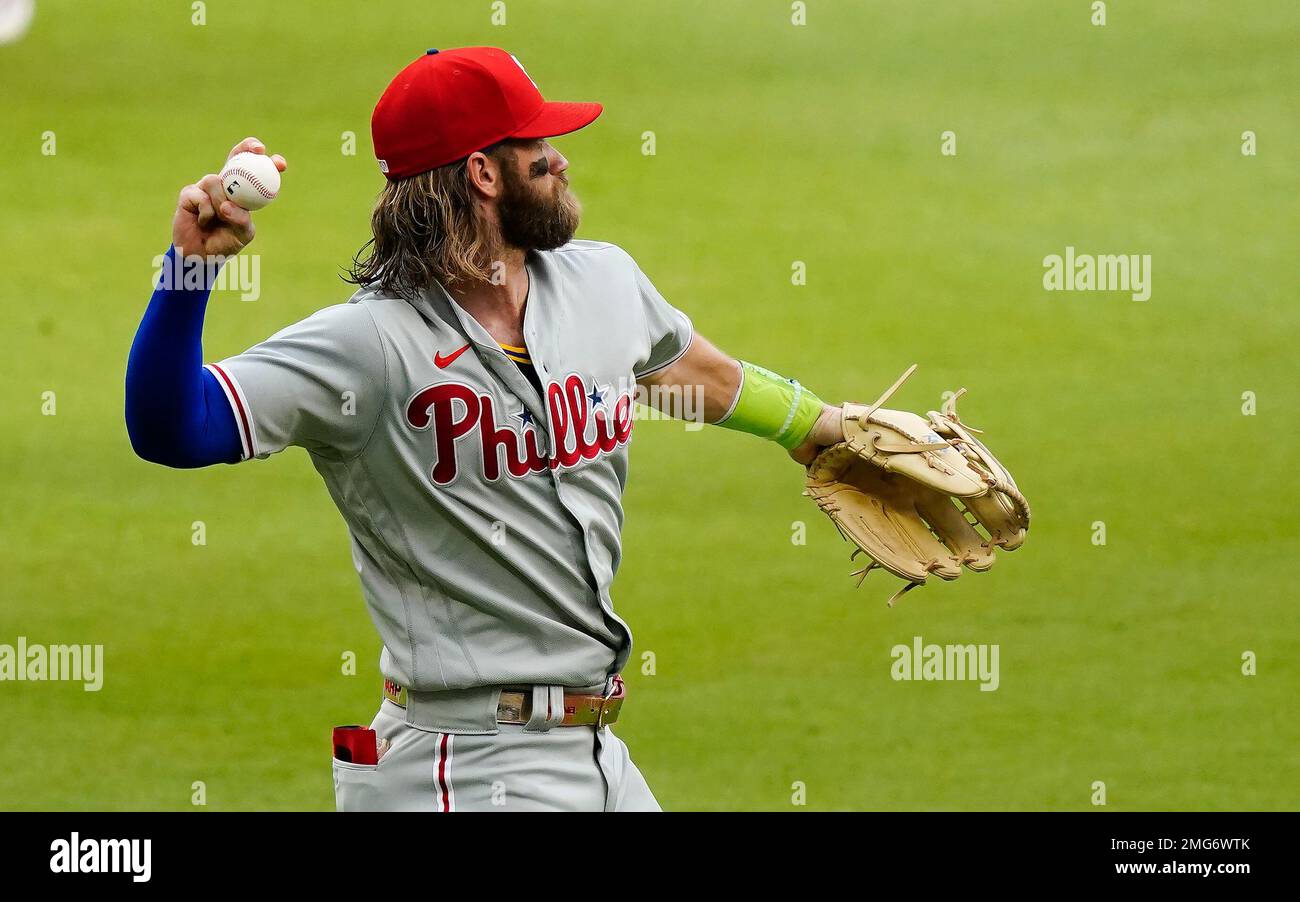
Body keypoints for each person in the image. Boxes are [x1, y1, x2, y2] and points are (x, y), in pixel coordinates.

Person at [126, 46, 841, 811]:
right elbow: (176, 429)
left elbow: (692, 375)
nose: (560, 159)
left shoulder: (602, 284)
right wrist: (188, 272)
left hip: (597, 755)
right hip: (466, 766)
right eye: (538, 144)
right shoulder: (368, 348)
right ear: (483, 172)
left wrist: (827, 431)